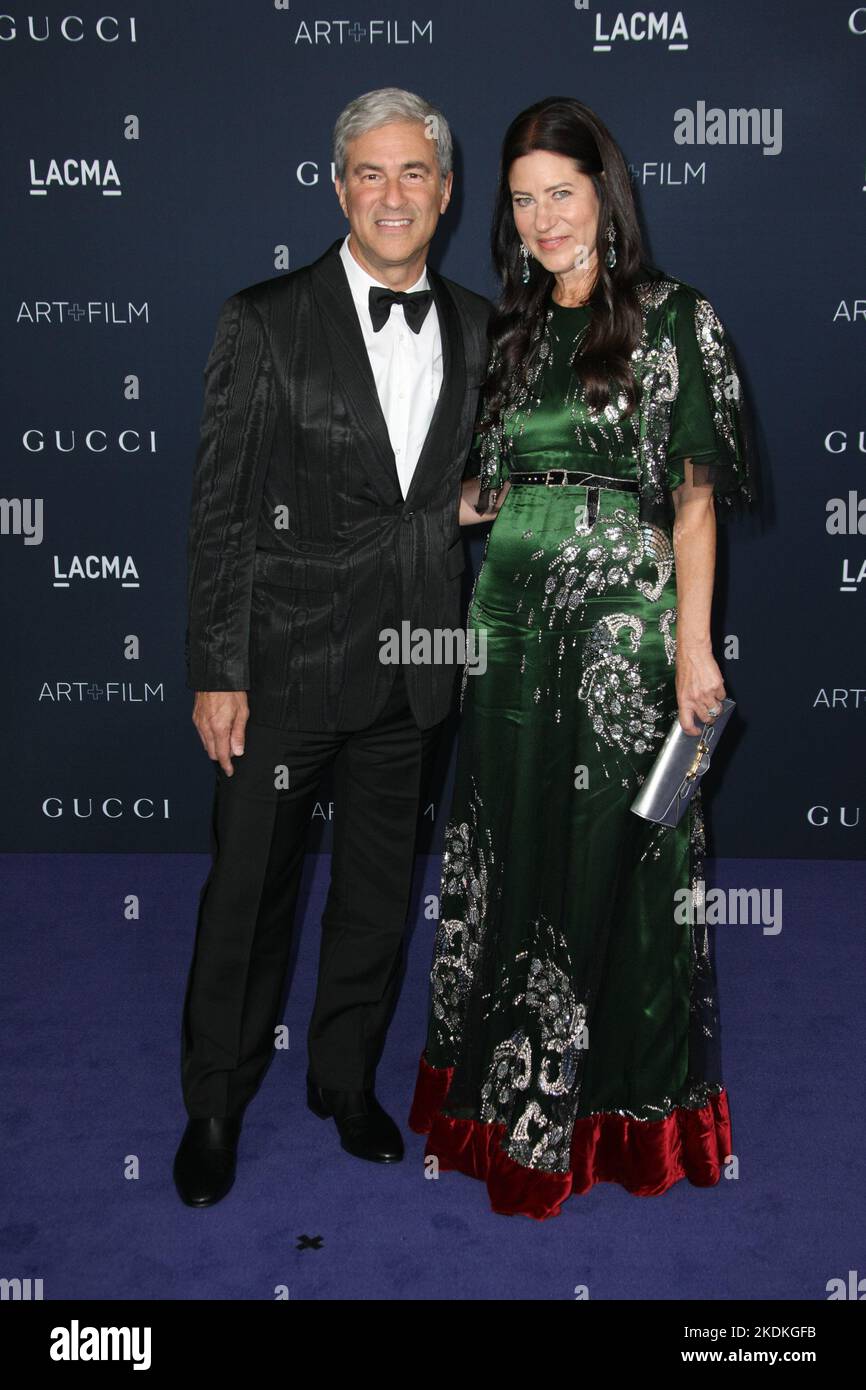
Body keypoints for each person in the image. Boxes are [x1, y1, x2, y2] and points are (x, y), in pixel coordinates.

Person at [408, 96, 756, 1220]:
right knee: (506, 849)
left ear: (604, 193)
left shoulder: (671, 318)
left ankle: (618, 1118)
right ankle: (493, 1100)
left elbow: (694, 499)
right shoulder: (508, 327)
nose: (542, 216)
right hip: (507, 626)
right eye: (522, 199)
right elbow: (485, 490)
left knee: (616, 861)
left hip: (620, 634)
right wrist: (381, 520)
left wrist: (692, 651)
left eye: (561, 191)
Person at [175, 88, 491, 1207]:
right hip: (283, 665)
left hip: (413, 659)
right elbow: (221, 512)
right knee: (246, 893)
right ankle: (214, 1100)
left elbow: (462, 490)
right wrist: (218, 667)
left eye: (415, 173)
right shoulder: (263, 319)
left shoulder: (478, 324)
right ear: (338, 185)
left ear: (446, 194)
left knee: (371, 893)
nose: (392, 192)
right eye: (370, 171)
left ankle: (343, 1078)